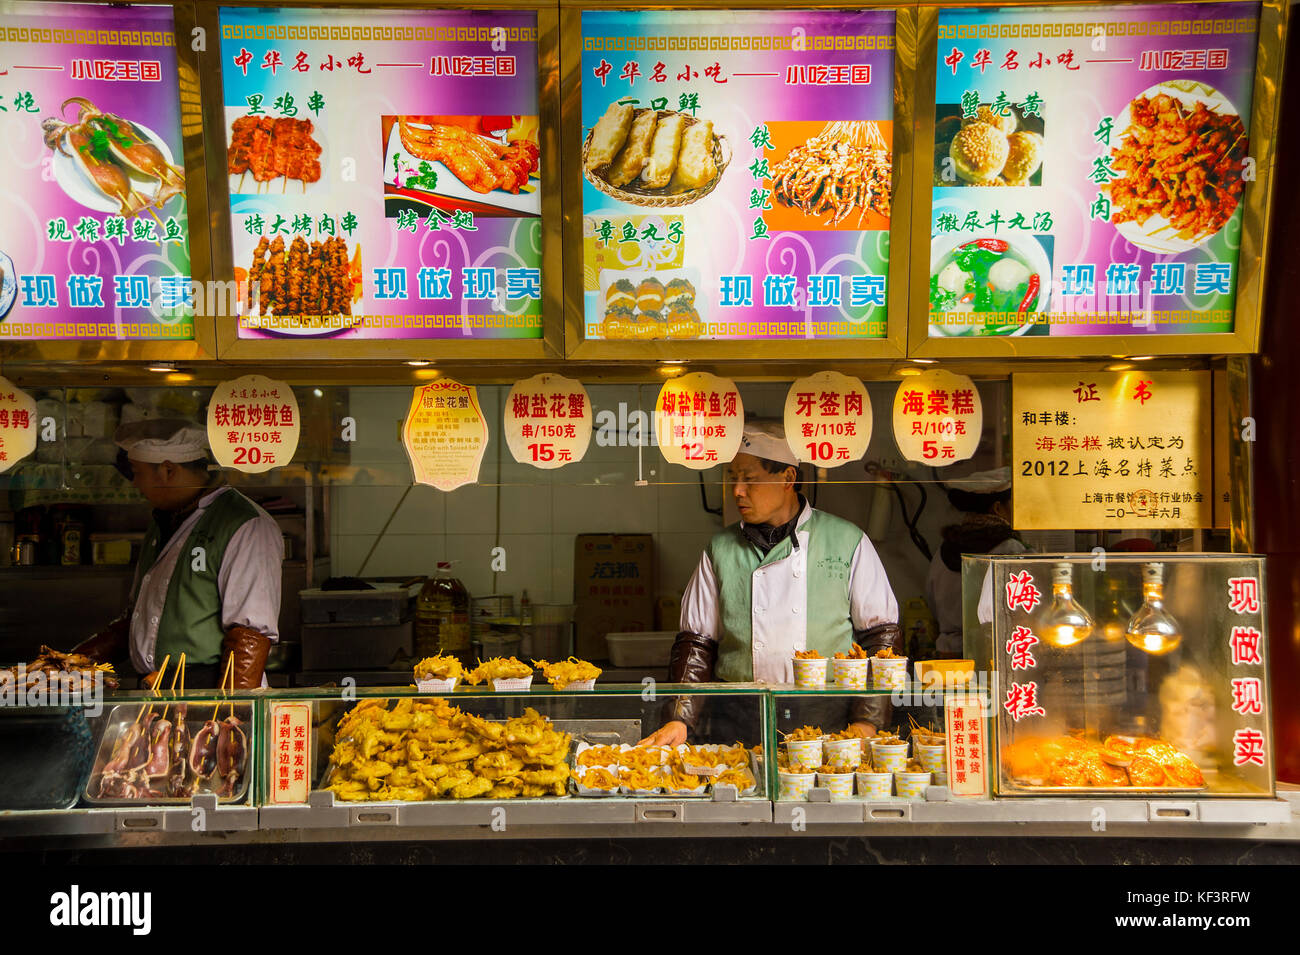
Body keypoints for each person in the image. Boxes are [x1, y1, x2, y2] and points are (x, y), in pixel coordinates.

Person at [641, 420, 902, 746]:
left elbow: (882, 638)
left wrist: (868, 720)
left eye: (749, 480)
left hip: (828, 719)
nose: (737, 491)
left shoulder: (847, 541)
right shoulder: (719, 549)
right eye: (733, 478)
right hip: (739, 719)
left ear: (788, 478)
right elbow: (696, 643)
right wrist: (679, 719)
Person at [73, 419, 283, 688]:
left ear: (167, 470)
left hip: (207, 693)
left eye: (136, 472)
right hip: (160, 692)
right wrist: (71, 662)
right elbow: (141, 616)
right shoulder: (164, 522)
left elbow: (249, 634)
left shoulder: (244, 524)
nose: (134, 483)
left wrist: (230, 712)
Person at [925, 467, 1025, 658]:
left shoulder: (944, 548)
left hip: (947, 654)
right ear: (997, 508)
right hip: (990, 653)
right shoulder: (1010, 549)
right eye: (1012, 503)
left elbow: (932, 602)